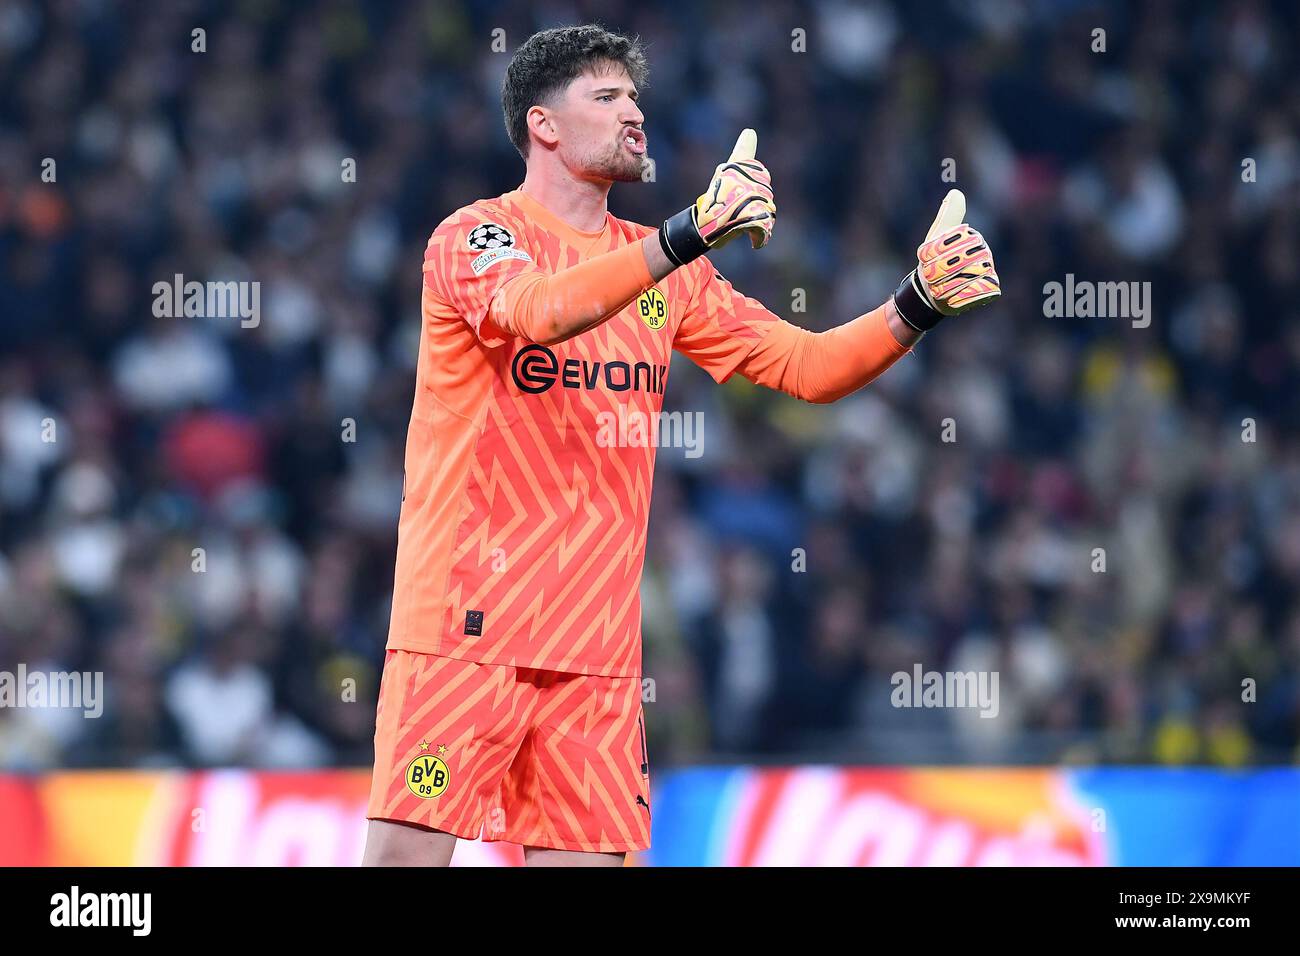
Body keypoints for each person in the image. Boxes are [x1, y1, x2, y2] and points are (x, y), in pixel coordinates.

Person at [363, 23, 1000, 867]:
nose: (634, 113)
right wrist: (690, 230)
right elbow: (540, 313)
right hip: (463, 629)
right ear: (543, 124)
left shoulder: (668, 270)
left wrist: (914, 303)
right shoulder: (475, 237)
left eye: (635, 97)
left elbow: (805, 367)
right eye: (606, 96)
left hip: (596, 655)